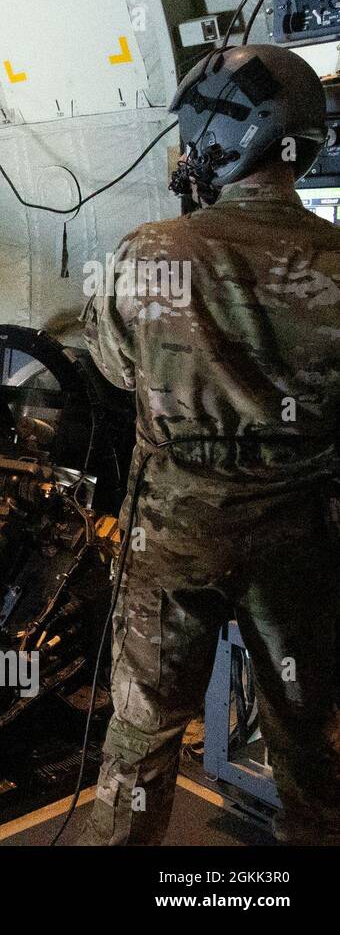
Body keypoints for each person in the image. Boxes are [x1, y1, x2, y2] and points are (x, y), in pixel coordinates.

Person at [79, 44, 340, 844]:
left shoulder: (153, 252)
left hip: (176, 532)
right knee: (308, 732)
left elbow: (115, 364)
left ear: (218, 139)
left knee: (144, 731)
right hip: (300, 536)